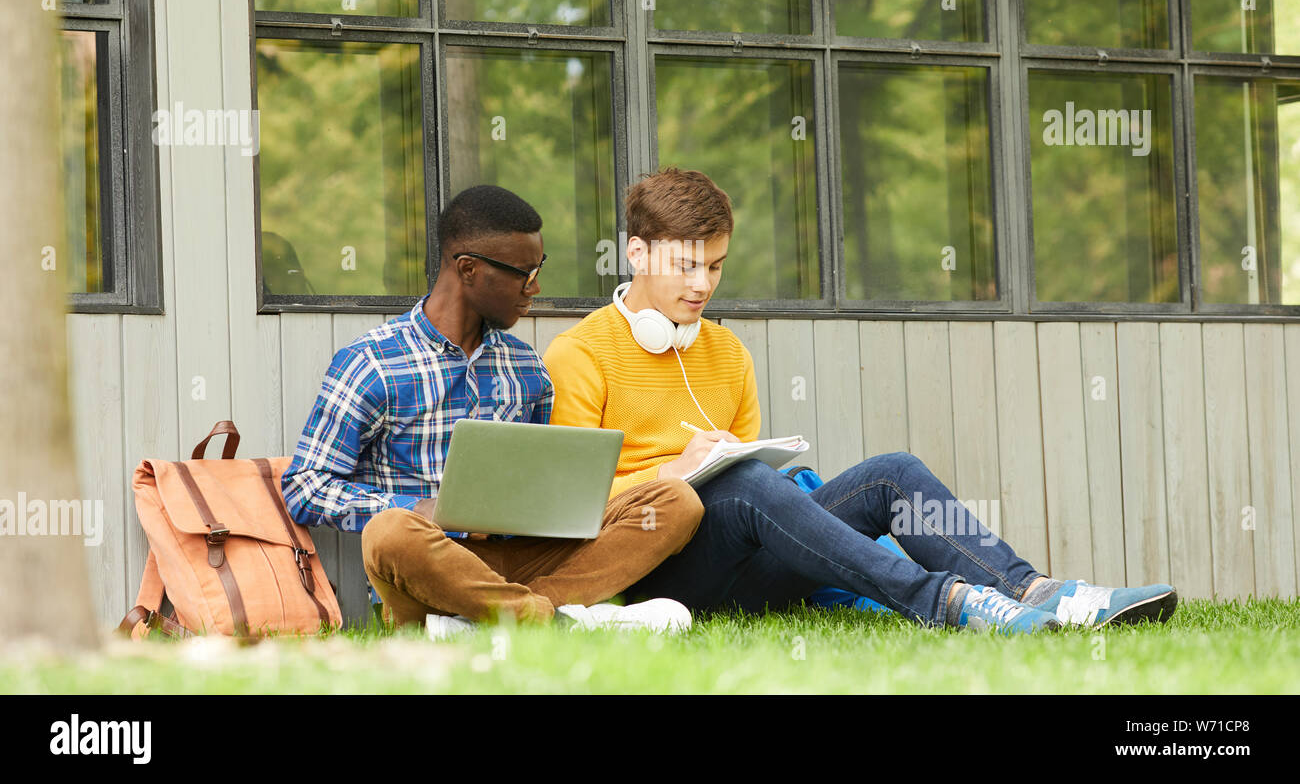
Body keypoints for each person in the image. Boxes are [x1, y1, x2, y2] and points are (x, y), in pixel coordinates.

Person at [542, 168, 1179, 633]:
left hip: (751, 563)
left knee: (891, 474)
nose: (702, 284)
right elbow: (567, 521)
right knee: (738, 489)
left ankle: (1041, 592)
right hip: (662, 578)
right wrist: (676, 471)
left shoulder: (727, 352)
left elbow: (760, 478)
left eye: (715, 266)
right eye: (685, 265)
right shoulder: (579, 355)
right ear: (636, 252)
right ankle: (951, 604)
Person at [281, 185, 704, 636]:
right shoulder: (371, 363)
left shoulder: (528, 369)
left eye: (539, 270)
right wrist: (421, 508)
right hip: (435, 566)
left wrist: (560, 503)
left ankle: (511, 618)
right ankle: (554, 620)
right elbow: (304, 488)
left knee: (676, 501)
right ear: (468, 269)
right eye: (524, 274)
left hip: (523, 556)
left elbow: (543, 480)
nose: (535, 288)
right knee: (388, 534)